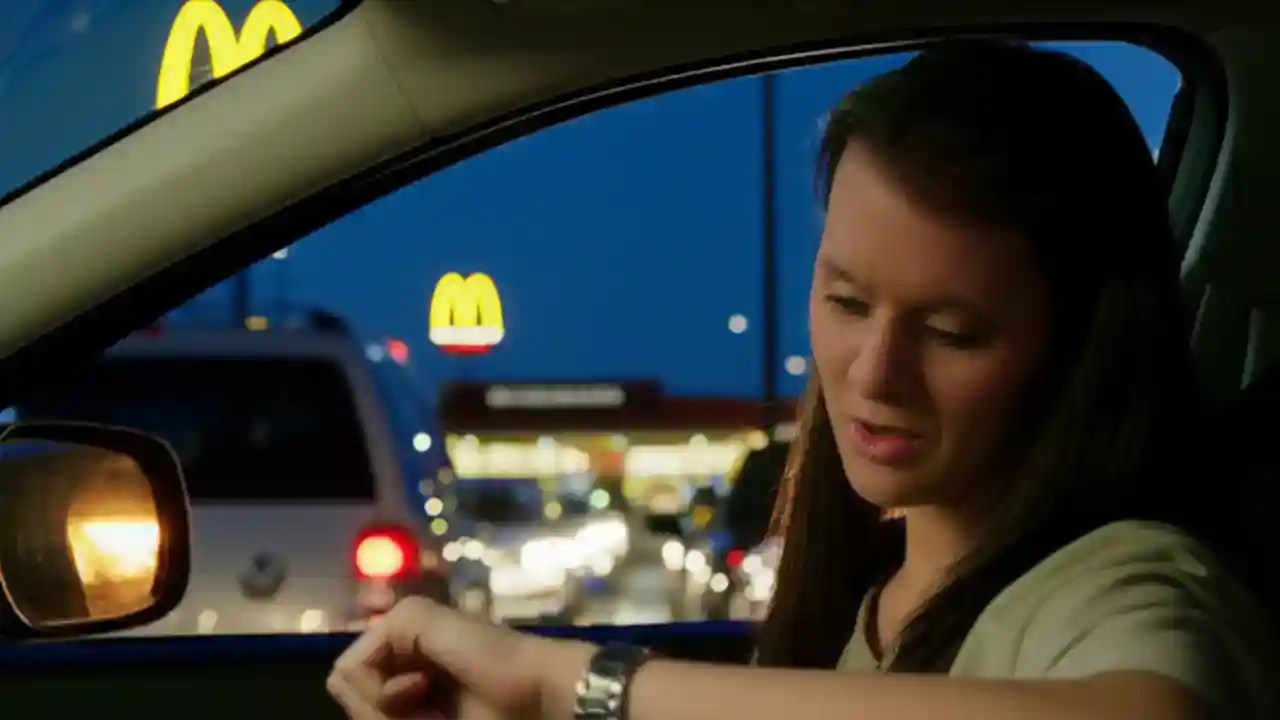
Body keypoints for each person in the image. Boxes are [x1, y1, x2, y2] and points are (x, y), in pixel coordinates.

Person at [327, 39, 1279, 720]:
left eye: (951, 332)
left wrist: (572, 685)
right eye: (847, 301)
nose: (876, 372)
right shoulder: (872, 597)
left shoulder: (1129, 581)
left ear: (1080, 344)